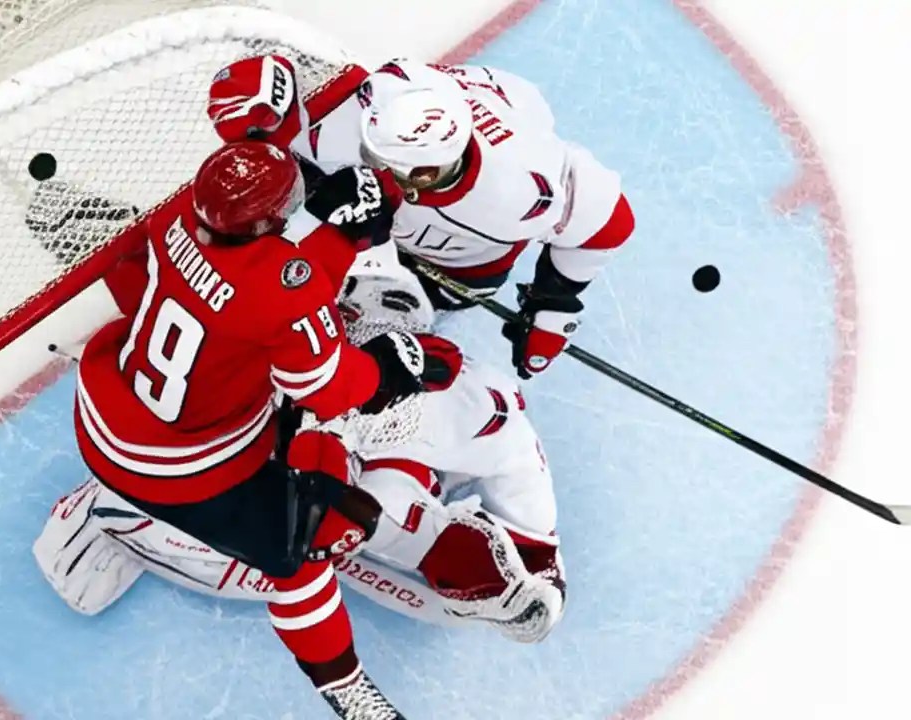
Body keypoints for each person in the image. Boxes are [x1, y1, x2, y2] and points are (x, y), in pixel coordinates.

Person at [38, 242, 567, 662]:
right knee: (277, 549)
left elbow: (517, 477)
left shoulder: (469, 414)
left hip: (316, 445)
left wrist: (537, 570)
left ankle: (131, 507)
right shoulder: (299, 333)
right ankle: (116, 511)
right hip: (235, 436)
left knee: (330, 535)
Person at [68, 139, 428, 717]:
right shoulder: (281, 292)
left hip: (109, 410)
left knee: (274, 397)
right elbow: (329, 386)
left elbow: (261, 285)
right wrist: (384, 370)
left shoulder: (176, 214)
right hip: (176, 471)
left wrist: (340, 237)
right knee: (306, 547)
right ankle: (345, 687)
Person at [207, 54, 636, 379]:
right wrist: (268, 108)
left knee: (360, 325)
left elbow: (609, 221)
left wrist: (554, 303)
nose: (366, 155)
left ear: (424, 175)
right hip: (402, 207)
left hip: (451, 271)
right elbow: (309, 83)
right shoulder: (394, 93)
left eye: (379, 159)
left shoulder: (517, 193)